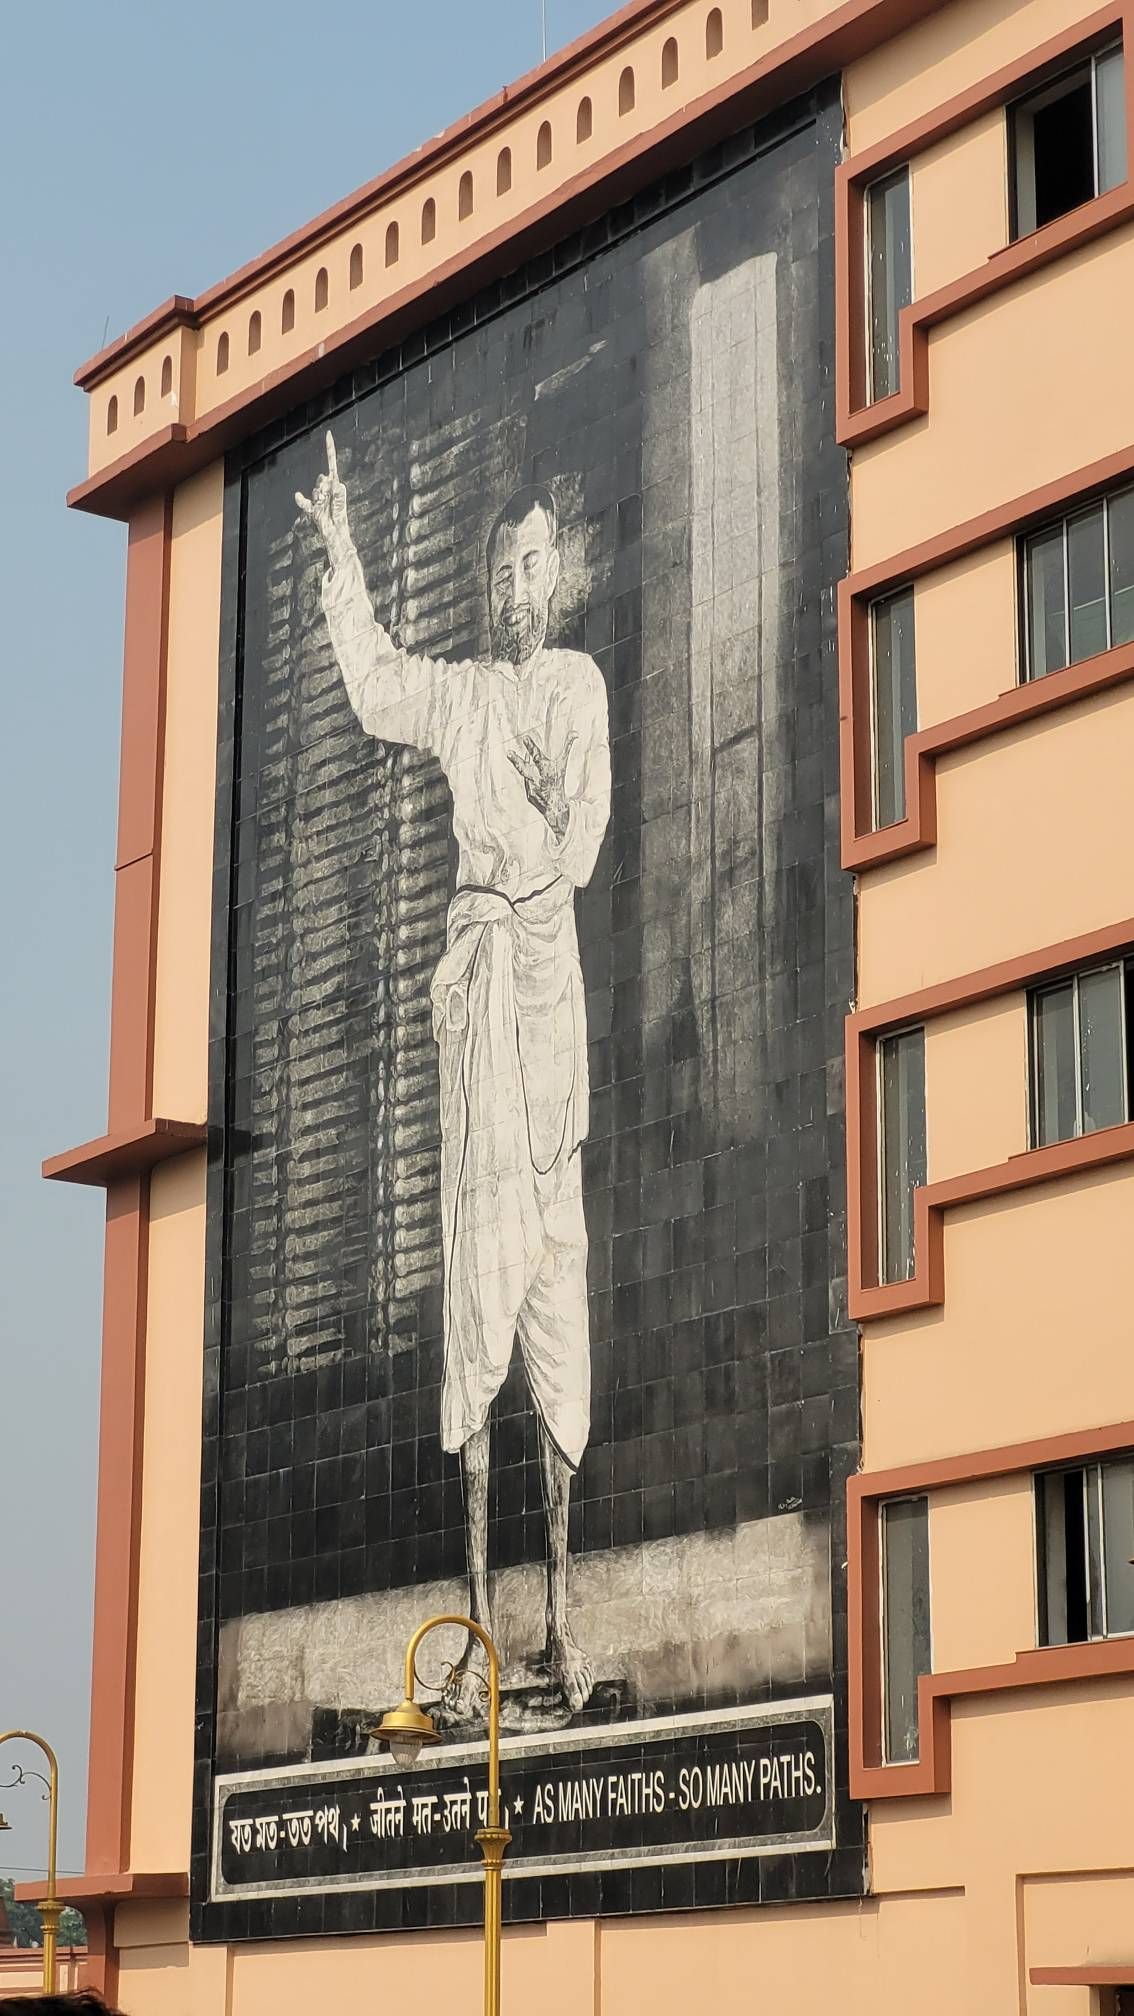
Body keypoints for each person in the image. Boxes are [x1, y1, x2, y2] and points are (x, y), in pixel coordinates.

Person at [296, 433, 611, 1717]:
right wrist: (343, 557)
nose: (512, 585)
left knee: (555, 1270)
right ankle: (478, 1625)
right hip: (477, 987)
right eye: (497, 567)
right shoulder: (469, 695)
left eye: (530, 562)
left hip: (546, 988)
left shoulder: (576, 688)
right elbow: (375, 688)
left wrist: (547, 802)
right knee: (474, 1284)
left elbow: (586, 846)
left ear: (561, 574)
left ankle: (558, 1617)